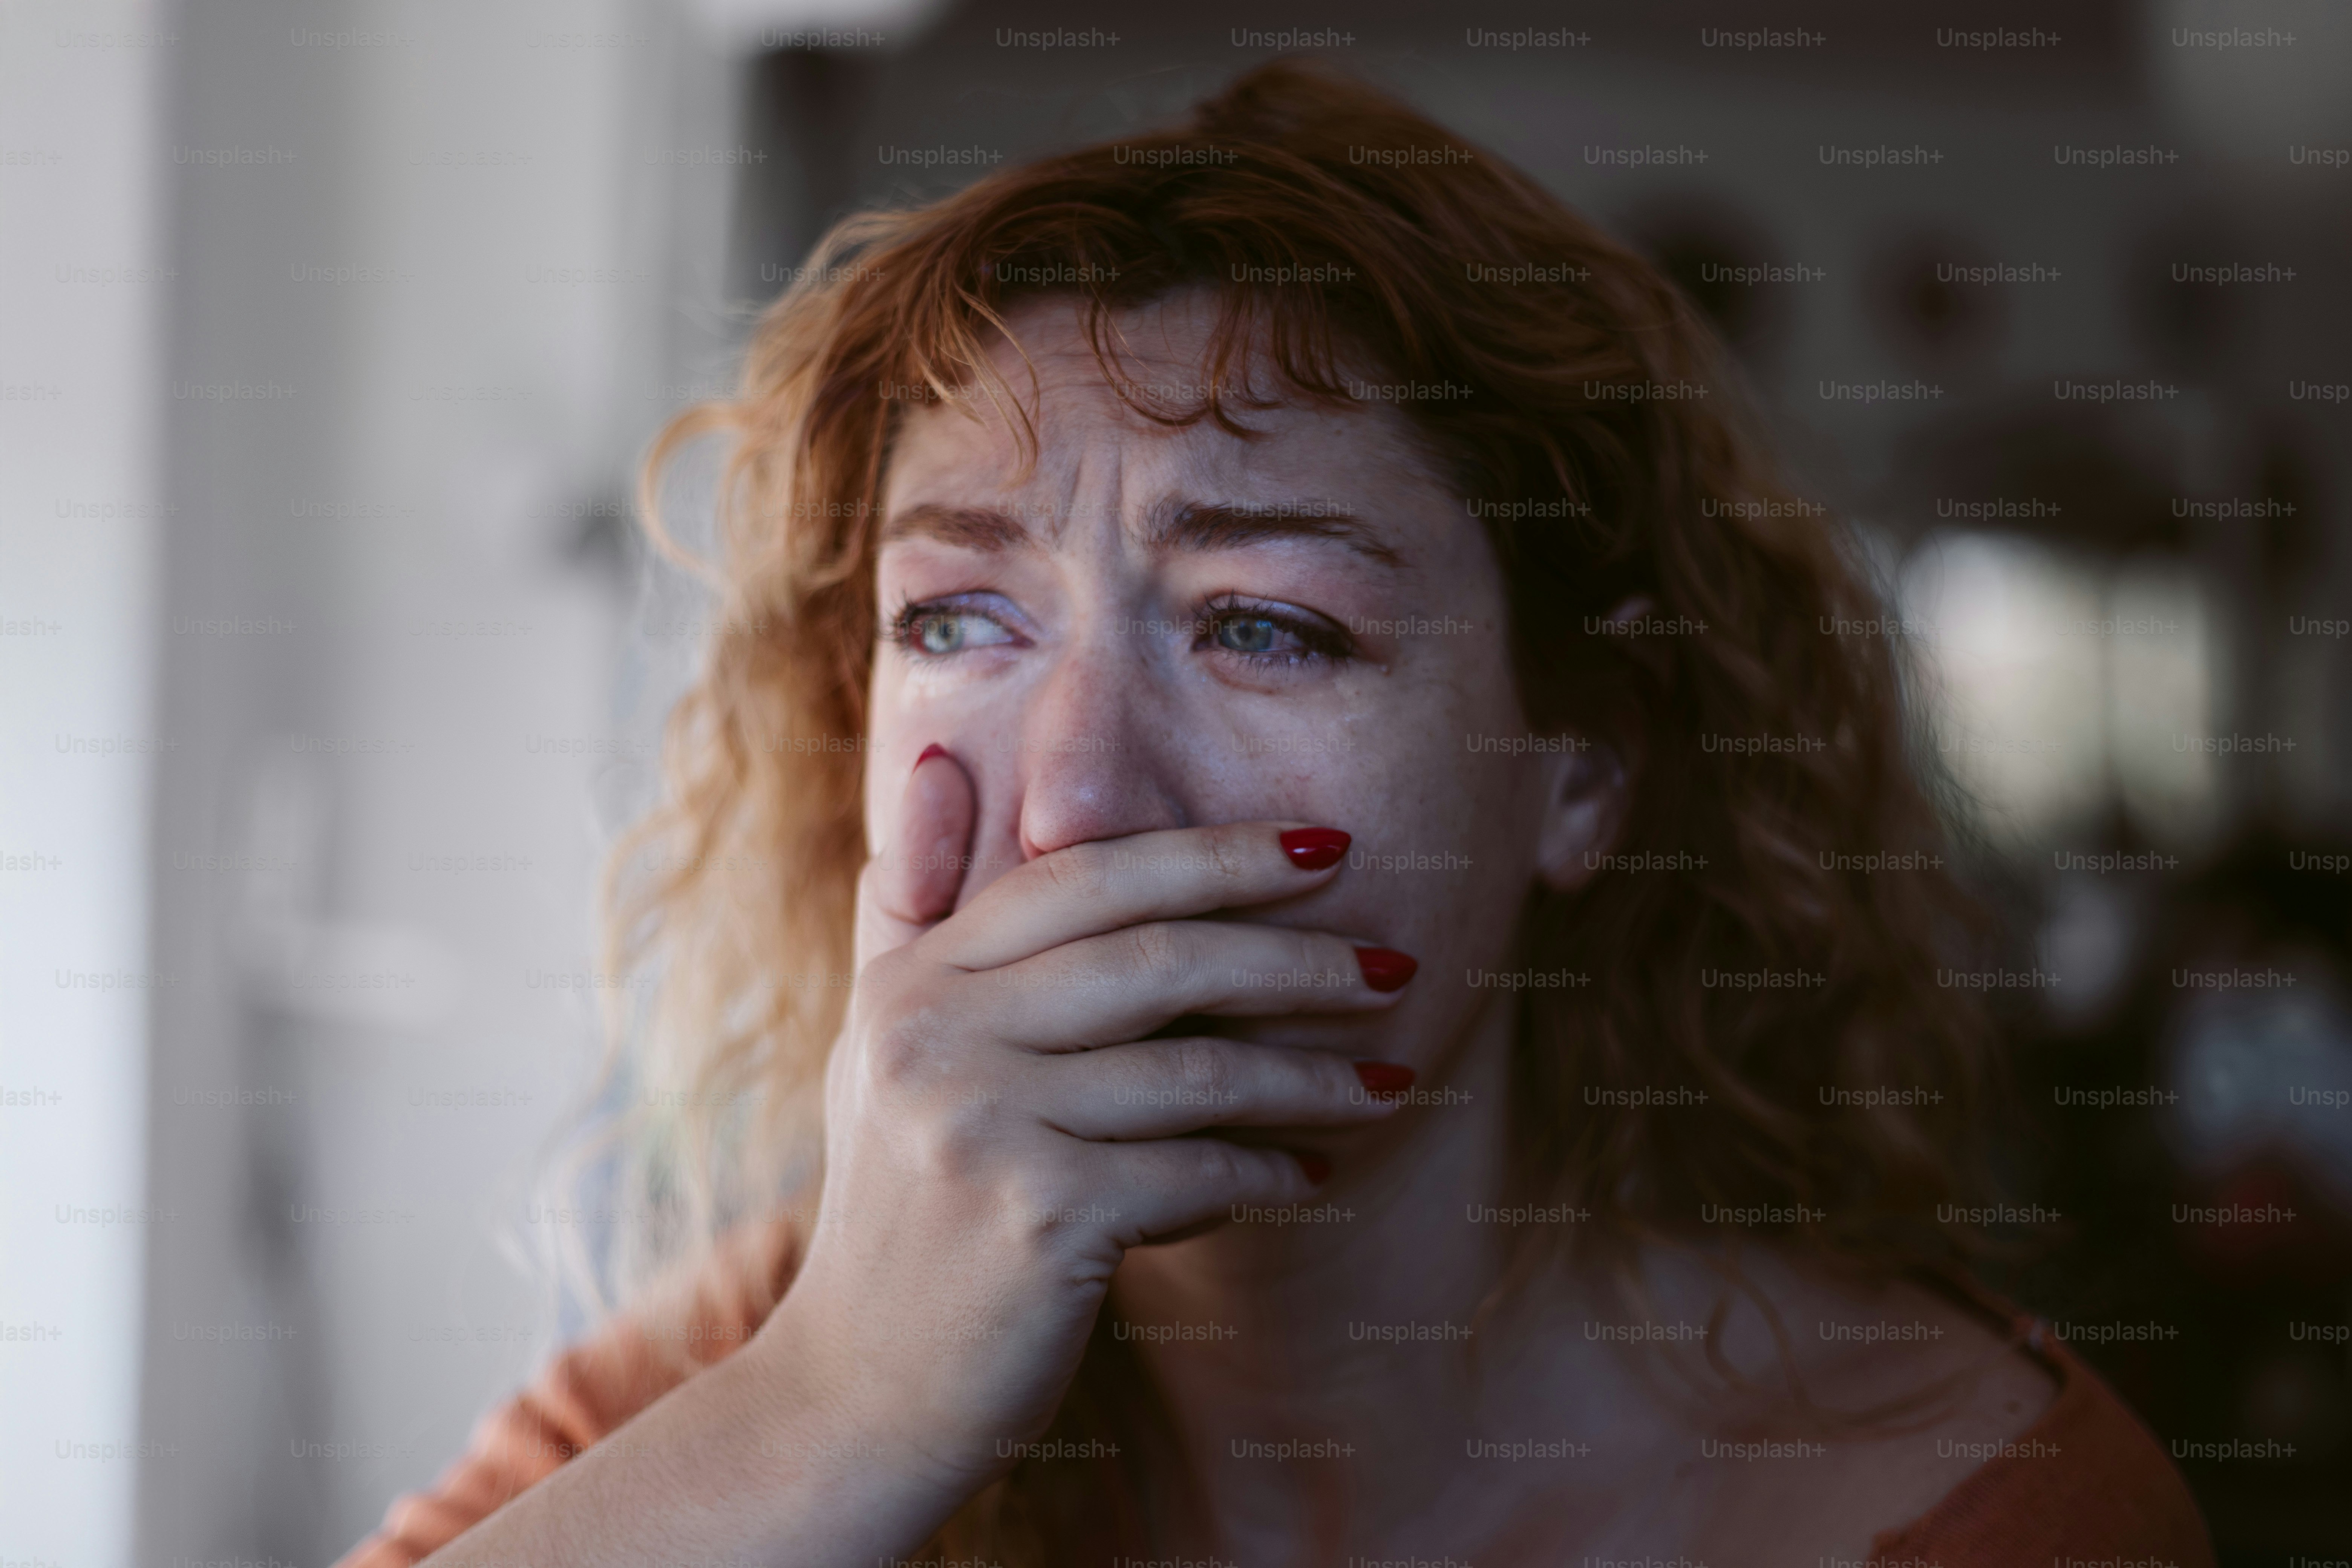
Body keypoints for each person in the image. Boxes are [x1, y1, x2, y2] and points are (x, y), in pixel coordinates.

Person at [338, 60, 2212, 1568]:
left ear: (1585, 767)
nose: (1071, 797)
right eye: (958, 616)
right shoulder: (785, 1347)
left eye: (1266, 624)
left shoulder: (1984, 1507)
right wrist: (834, 1416)